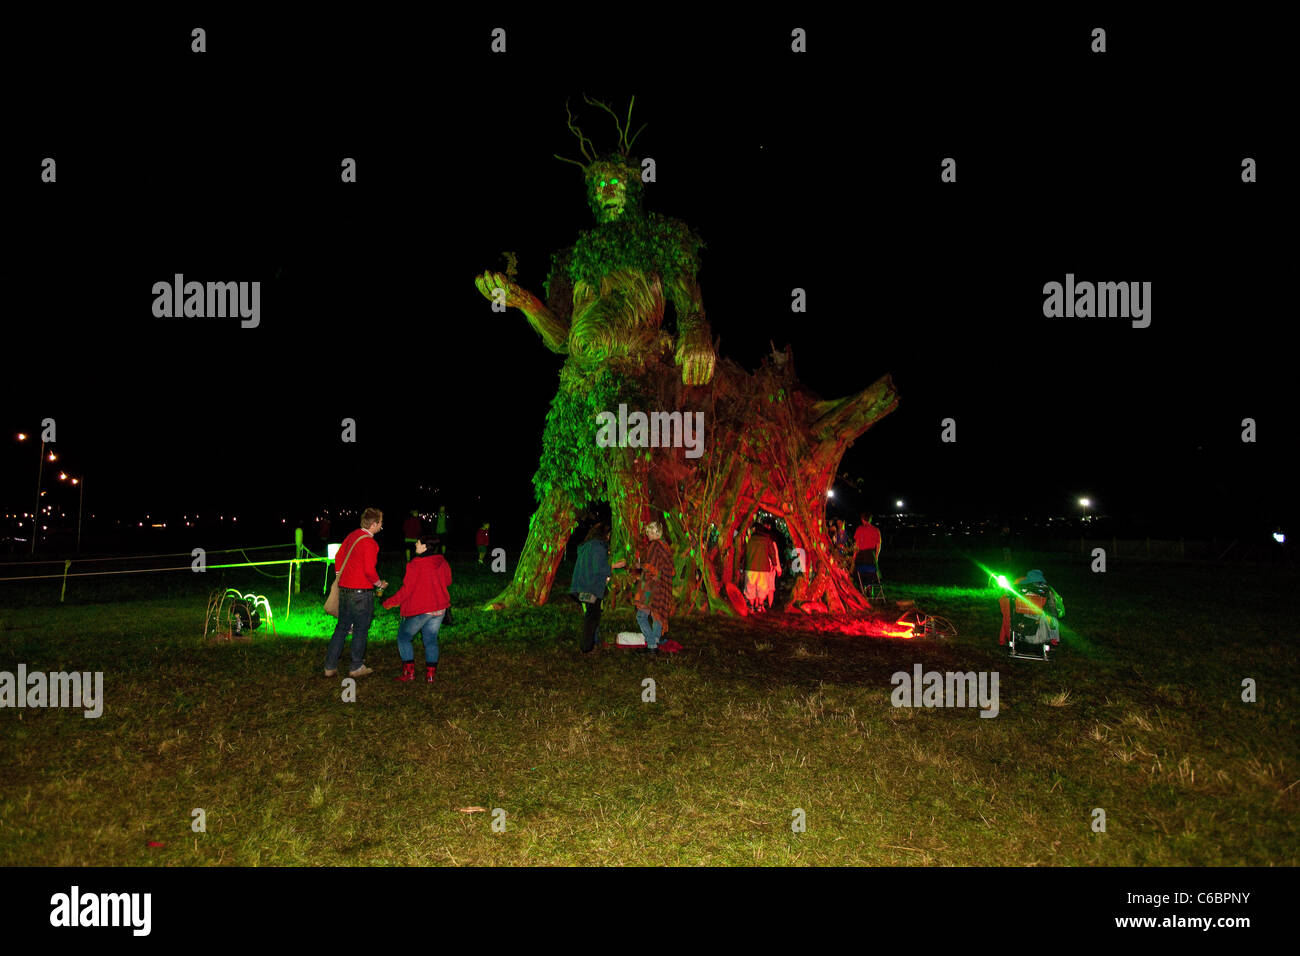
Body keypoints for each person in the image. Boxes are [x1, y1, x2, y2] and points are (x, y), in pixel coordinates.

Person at [324, 507, 387, 678]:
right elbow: (369, 570)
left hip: (344, 589)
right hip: (362, 593)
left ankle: (329, 666)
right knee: (360, 629)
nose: (382, 526)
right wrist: (379, 584)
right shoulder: (370, 543)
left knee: (342, 627)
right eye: (380, 522)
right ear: (374, 524)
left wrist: (340, 576)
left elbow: (338, 557)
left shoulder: (352, 535)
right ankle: (356, 667)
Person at [382, 534, 452, 682]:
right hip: (439, 608)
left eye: (418, 543)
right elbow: (448, 581)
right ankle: (430, 675)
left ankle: (409, 673)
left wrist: (389, 602)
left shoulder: (415, 564)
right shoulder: (442, 561)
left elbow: (406, 591)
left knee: (403, 637)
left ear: (425, 546)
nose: (415, 545)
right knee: (431, 639)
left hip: (422, 609)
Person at [569, 522, 626, 652]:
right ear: (604, 534)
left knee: (592, 614)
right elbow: (599, 568)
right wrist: (615, 566)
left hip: (579, 587)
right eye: (609, 535)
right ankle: (586, 647)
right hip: (589, 589)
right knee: (592, 617)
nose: (609, 537)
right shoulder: (598, 546)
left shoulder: (587, 546)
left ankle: (594, 642)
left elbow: (591, 568)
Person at [633, 520, 678, 654]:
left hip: (652, 587)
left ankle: (652, 644)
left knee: (641, 616)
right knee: (657, 614)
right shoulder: (665, 546)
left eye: (649, 532)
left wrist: (639, 566)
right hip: (664, 586)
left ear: (654, 532)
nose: (647, 535)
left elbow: (651, 568)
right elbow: (670, 569)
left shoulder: (654, 545)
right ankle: (656, 640)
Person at [743, 521, 782, 613]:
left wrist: (743, 565)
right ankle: (760, 606)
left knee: (750, 587)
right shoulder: (767, 539)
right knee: (762, 587)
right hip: (764, 567)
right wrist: (775, 564)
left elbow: (744, 553)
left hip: (751, 567)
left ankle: (751, 606)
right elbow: (772, 553)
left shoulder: (749, 539)